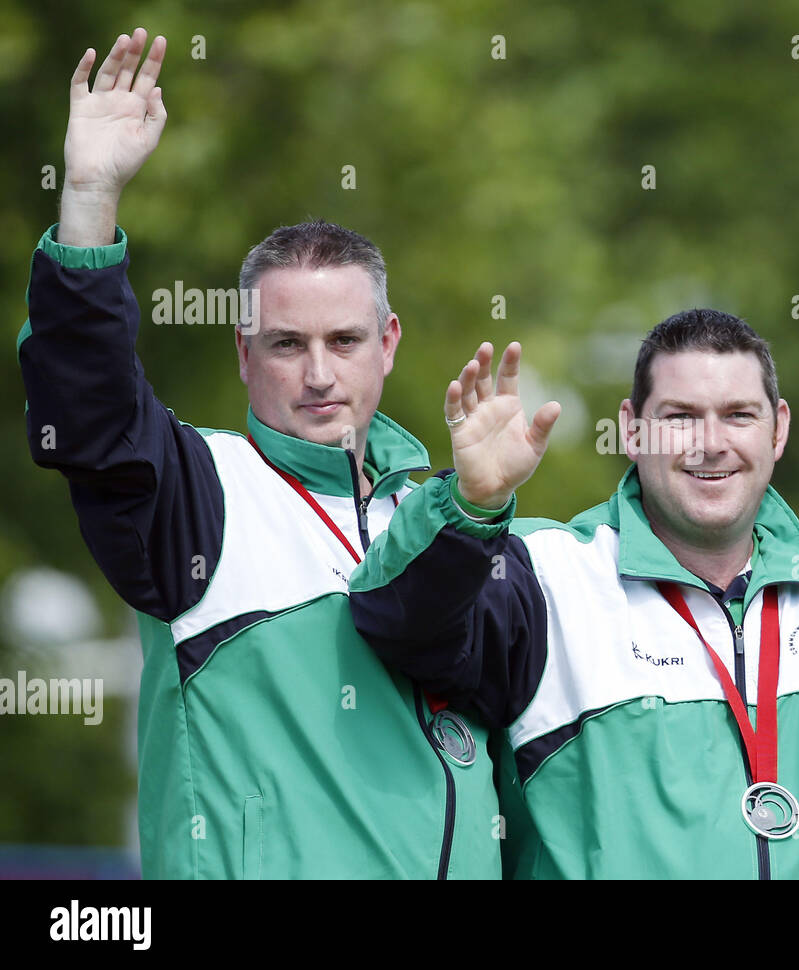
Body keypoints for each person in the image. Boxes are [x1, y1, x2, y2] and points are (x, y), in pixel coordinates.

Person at [18, 28, 499, 878]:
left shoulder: (431, 514)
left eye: (344, 340)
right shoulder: (203, 490)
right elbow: (88, 404)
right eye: (285, 344)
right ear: (243, 354)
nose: (318, 375)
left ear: (387, 344)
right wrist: (89, 197)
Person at [350, 310, 799, 878]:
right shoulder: (549, 576)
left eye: (738, 416)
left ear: (777, 429)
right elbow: (400, 628)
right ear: (631, 429)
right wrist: (469, 506)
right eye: (679, 417)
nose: (711, 444)